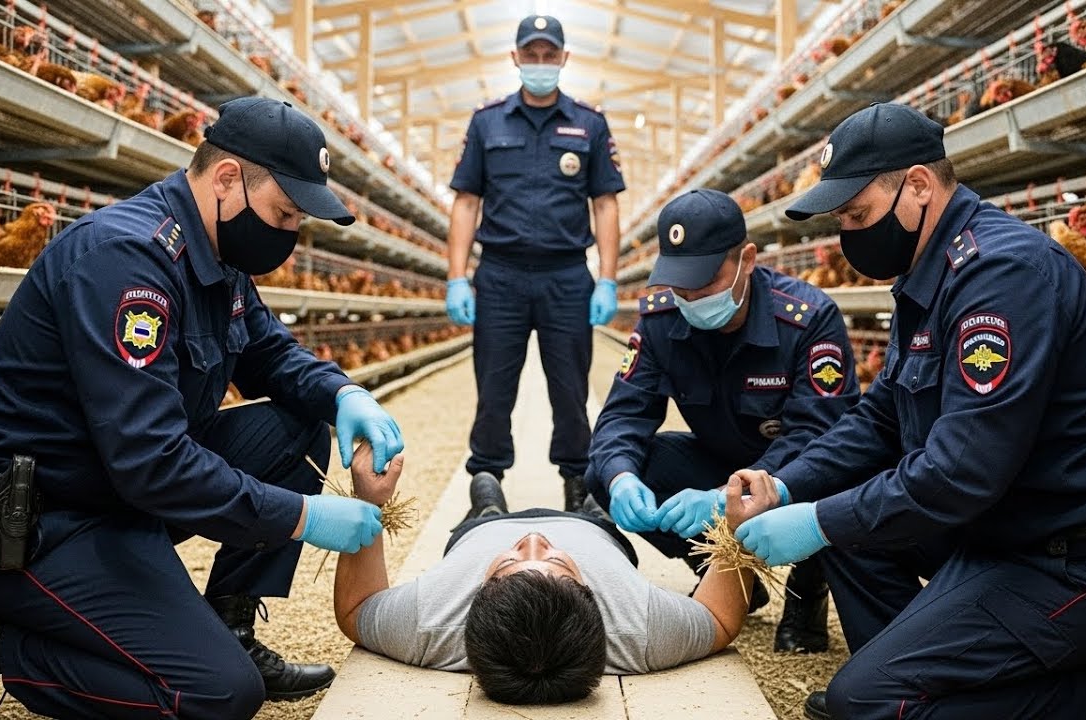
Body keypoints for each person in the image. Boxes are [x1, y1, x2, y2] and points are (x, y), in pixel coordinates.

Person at [0, 97, 405, 720]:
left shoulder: (217, 255)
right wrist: (302, 517)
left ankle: (230, 630)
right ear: (227, 179)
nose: (289, 233)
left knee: (297, 427)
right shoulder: (125, 261)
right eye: (284, 212)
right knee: (216, 694)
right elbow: (151, 460)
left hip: (116, 496)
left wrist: (342, 394)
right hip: (28, 522)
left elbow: (269, 351)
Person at [729, 102, 1086, 720]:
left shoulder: (1001, 275)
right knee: (852, 530)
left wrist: (819, 522)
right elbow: (881, 416)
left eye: (857, 214)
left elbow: (961, 471)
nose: (849, 235)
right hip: (1007, 528)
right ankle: (922, 678)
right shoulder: (931, 273)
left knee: (864, 700)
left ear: (919, 185)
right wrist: (789, 487)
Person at [585, 188, 859, 652]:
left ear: (747, 260)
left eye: (706, 282)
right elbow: (624, 414)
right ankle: (727, 574)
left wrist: (733, 493)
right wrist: (621, 477)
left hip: (791, 470)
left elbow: (821, 433)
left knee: (837, 475)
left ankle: (807, 592)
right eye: (680, 285)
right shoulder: (660, 321)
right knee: (605, 469)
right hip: (720, 459)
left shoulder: (807, 320)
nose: (691, 297)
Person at [333, 448, 776, 706]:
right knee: (596, 504)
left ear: (478, 593)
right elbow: (719, 620)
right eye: (557, 562)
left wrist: (369, 501)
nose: (532, 540)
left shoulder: (428, 624)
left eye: (507, 563)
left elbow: (355, 610)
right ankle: (582, 497)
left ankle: (487, 501)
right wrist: (737, 529)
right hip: (593, 531)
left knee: (485, 508)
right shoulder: (640, 629)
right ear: (588, 591)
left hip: (481, 534)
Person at [445, 14, 625, 512]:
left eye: (549, 54)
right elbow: (466, 201)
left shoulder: (590, 124)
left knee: (570, 389)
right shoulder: (487, 122)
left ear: (564, 58)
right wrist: (456, 277)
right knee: (494, 386)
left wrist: (607, 279)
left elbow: (605, 203)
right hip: (499, 274)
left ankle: (577, 482)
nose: (540, 62)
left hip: (566, 275)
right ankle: (486, 481)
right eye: (531, 54)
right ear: (515, 57)